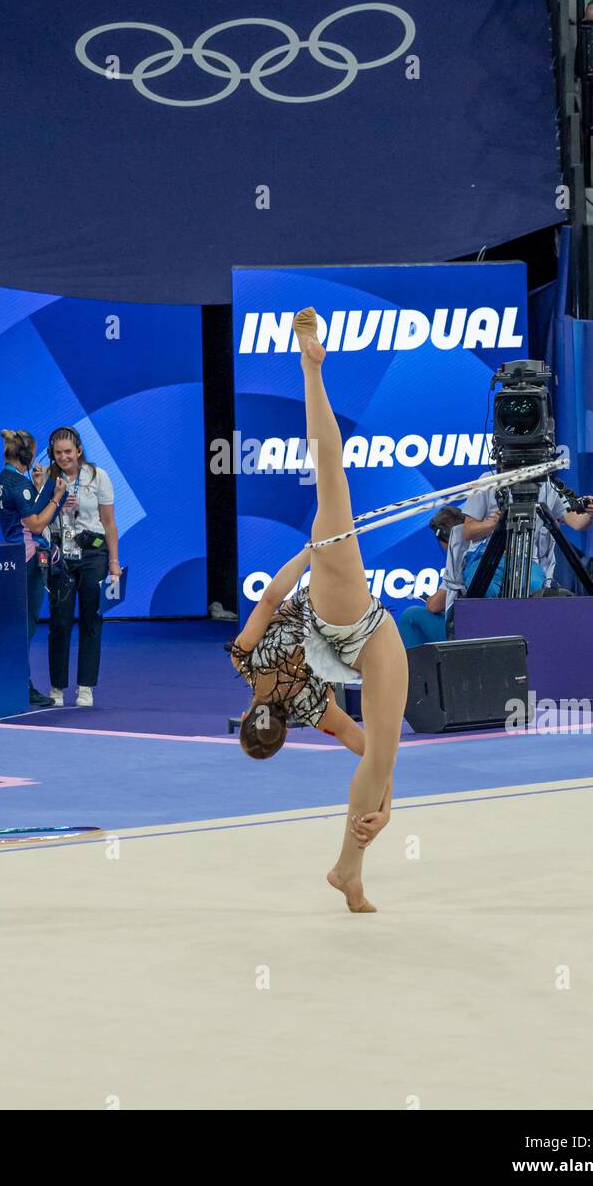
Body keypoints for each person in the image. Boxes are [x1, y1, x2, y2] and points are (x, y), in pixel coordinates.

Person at [227, 308, 409, 914]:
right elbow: (272, 598)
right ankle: (310, 368)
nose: (257, 708)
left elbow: (373, 749)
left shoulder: (299, 703)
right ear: (256, 717)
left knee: (332, 482)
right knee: (330, 479)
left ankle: (347, 870)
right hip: (352, 626)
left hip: (344, 620)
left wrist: (316, 554)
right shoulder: (256, 672)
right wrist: (307, 555)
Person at [45, 427, 123, 708]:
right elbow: (37, 519)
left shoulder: (97, 476)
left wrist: (114, 562)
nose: (64, 457)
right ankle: (56, 688)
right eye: (58, 453)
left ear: (79, 450)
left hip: (93, 554)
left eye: (69, 451)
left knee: (91, 619)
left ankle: (86, 687)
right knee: (60, 622)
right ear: (52, 454)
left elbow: (109, 522)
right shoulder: (47, 478)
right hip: (61, 556)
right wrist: (57, 503)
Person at [0, 429, 68, 709]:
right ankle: (20, 683)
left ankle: (16, 680)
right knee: (26, 624)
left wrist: (38, 488)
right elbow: (36, 524)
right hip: (29, 558)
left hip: (14, 555)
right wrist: (56, 496)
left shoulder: (1, 480)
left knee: (20, 623)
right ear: (27, 455)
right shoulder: (19, 485)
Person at [462, 478, 593, 583]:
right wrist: (493, 524)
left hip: (529, 565)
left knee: (534, 586)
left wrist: (590, 513)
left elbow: (576, 522)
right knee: (487, 588)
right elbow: (468, 532)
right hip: (488, 560)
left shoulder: (549, 485)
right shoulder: (488, 480)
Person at [397, 506, 465, 650]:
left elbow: (434, 605)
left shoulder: (460, 557)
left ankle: (414, 672)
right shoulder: (477, 547)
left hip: (468, 630)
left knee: (411, 616)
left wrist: (433, 600)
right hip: (483, 622)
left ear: (444, 536)